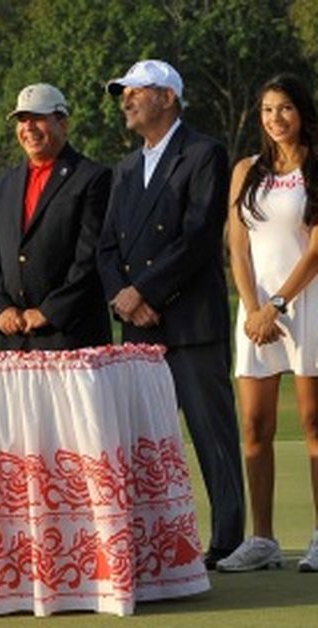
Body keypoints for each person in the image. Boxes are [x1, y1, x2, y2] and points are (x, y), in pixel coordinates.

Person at [96, 59, 245, 569]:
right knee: (143, 447)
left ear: (167, 98)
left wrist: (146, 292)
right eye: (124, 93)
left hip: (190, 325)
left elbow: (199, 235)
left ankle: (227, 542)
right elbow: (107, 246)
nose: (126, 100)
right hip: (137, 330)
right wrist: (123, 294)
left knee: (212, 438)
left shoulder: (204, 153)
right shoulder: (124, 169)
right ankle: (152, 547)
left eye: (136, 91)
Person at [222, 73, 318, 572]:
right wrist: (254, 308)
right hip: (256, 314)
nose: (274, 119)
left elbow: (317, 251)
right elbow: (237, 246)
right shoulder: (246, 171)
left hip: (307, 305)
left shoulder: (316, 167)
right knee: (254, 426)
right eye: (266, 110)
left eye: (284, 108)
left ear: (302, 112)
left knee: (312, 423)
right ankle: (263, 540)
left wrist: (277, 305)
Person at [0, 83, 112, 350]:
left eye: (38, 118)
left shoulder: (92, 178)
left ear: (63, 124)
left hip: (71, 337)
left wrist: (50, 311)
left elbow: (90, 258)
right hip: (16, 342)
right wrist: (0, 309)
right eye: (22, 120)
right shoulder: (4, 185)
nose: (28, 128)